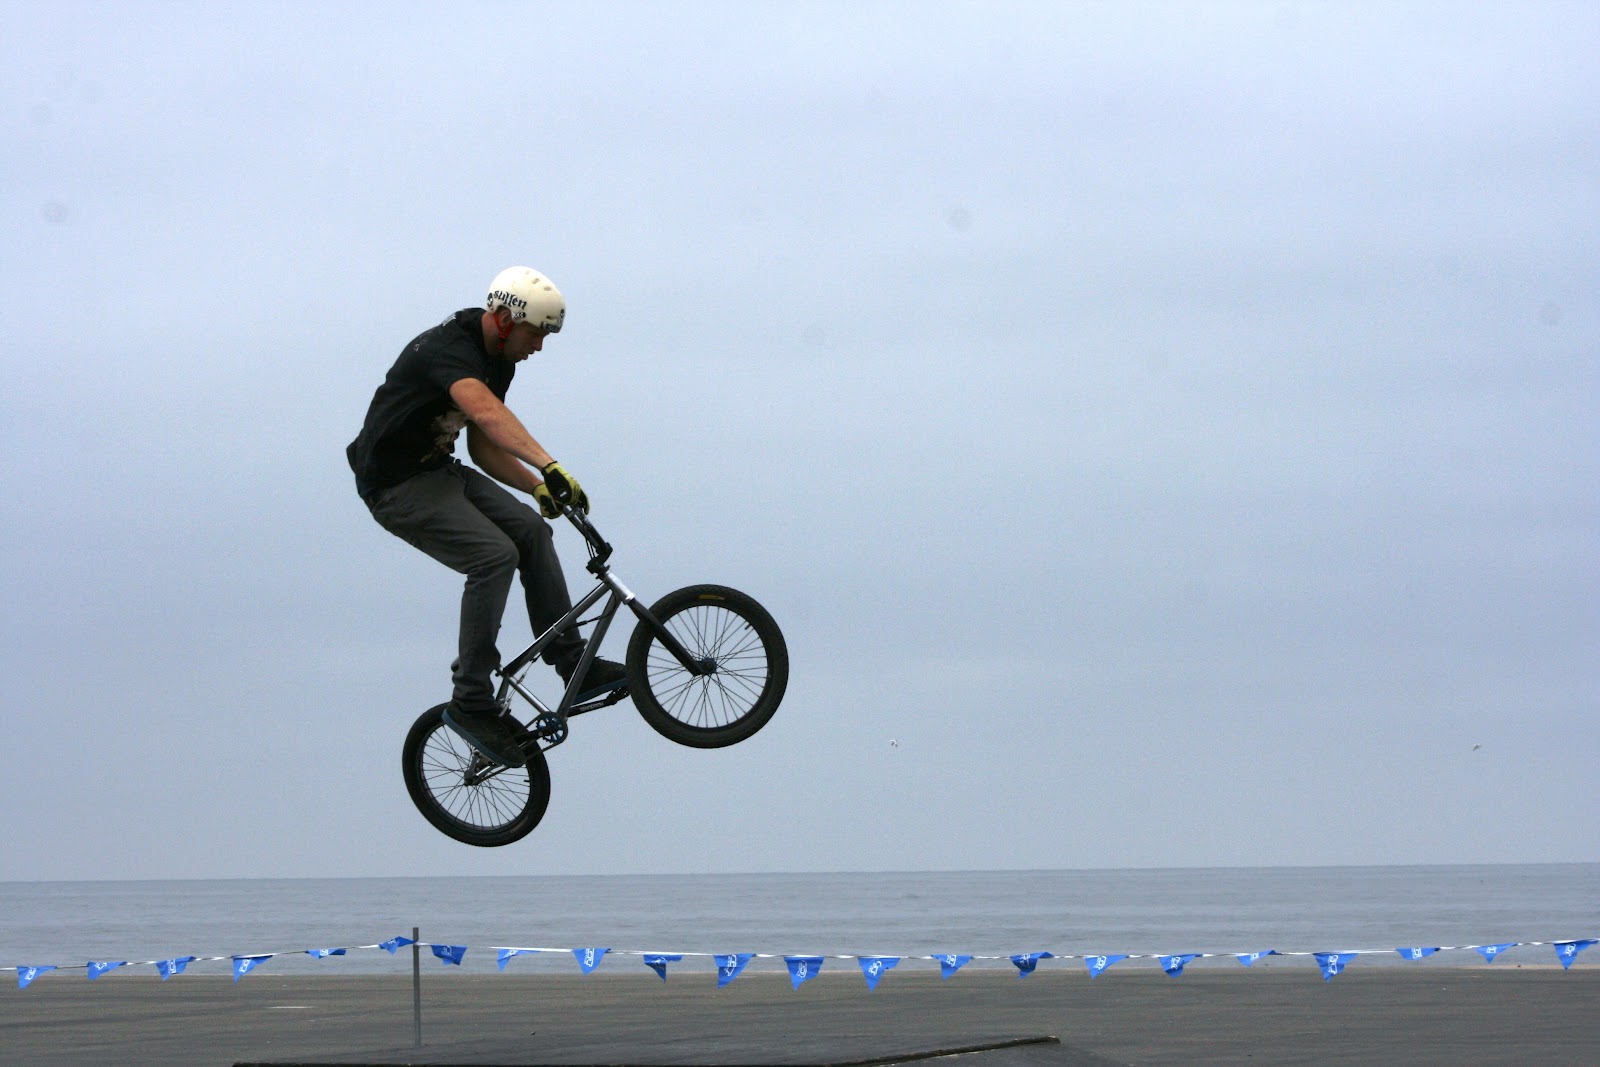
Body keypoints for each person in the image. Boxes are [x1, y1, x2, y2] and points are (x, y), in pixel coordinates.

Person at [347, 266, 627, 767]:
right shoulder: (446, 350)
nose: (538, 347)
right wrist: (548, 465)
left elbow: (483, 446)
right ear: (503, 319)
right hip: (394, 487)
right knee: (493, 555)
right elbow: (488, 415)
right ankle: (471, 701)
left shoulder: (500, 362)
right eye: (535, 333)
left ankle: (574, 666)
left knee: (532, 531)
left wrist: (536, 486)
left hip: (439, 470)